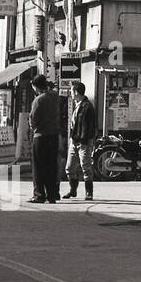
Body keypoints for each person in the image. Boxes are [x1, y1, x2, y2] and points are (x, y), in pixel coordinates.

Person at [28, 76, 61, 204]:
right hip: (53, 136)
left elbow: (33, 119)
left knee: (39, 167)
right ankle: (52, 195)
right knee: (51, 166)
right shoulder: (54, 96)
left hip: (40, 136)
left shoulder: (38, 100)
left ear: (36, 86)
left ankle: (39, 194)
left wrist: (33, 127)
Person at [63, 80, 97, 200]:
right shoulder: (77, 105)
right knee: (69, 167)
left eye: (71, 91)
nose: (70, 93)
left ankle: (89, 192)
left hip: (84, 141)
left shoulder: (87, 107)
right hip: (74, 140)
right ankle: (73, 190)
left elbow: (91, 126)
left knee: (86, 167)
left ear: (76, 92)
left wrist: (86, 140)